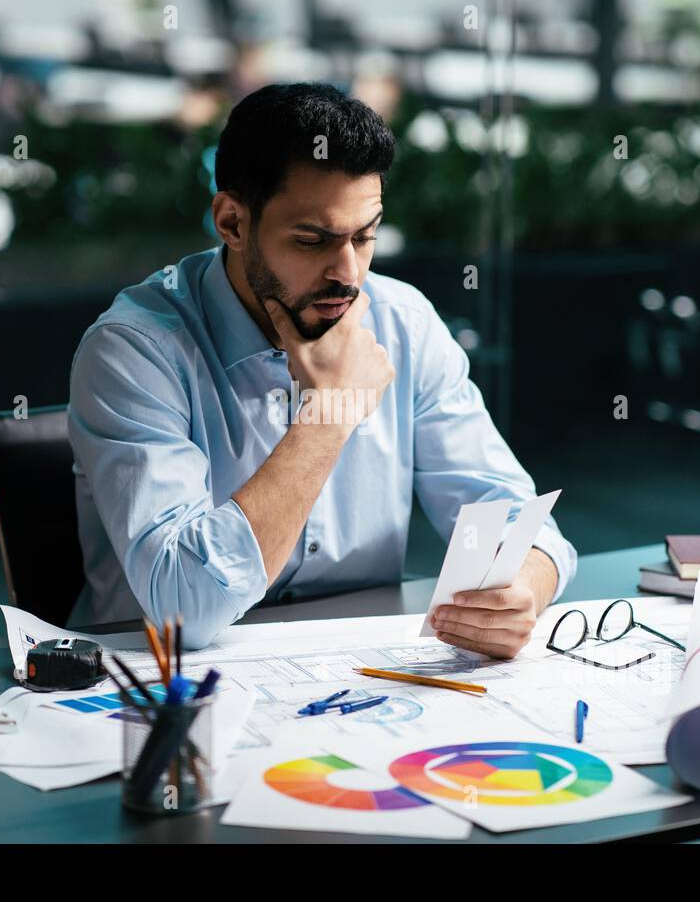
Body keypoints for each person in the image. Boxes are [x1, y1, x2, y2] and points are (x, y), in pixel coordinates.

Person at [68, 82, 576, 655]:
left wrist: (522, 592)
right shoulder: (133, 350)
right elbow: (183, 607)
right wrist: (330, 413)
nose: (348, 273)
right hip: (161, 696)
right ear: (232, 222)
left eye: (365, 237)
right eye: (313, 240)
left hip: (354, 681)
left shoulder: (403, 322)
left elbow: (517, 521)